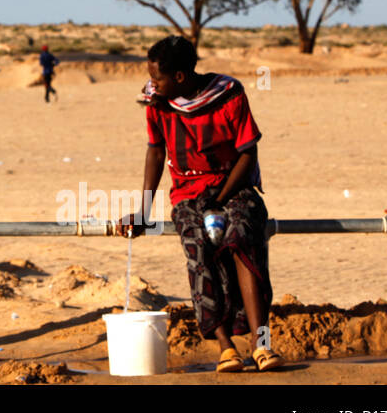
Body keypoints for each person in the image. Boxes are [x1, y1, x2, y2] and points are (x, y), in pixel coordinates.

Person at [117, 35, 283, 373]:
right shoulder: (157, 103)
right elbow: (156, 150)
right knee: (198, 247)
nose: (152, 84)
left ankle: (261, 343)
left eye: (157, 78)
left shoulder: (228, 93)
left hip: (234, 185)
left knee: (241, 238)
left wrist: (218, 201)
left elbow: (247, 154)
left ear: (179, 77)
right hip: (188, 192)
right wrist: (144, 209)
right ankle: (226, 347)